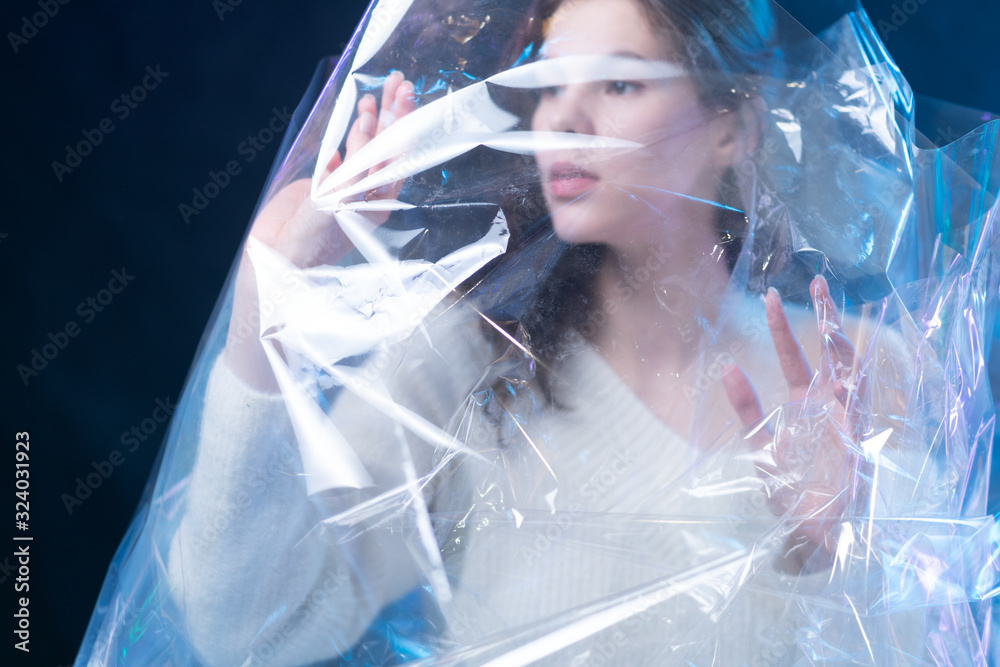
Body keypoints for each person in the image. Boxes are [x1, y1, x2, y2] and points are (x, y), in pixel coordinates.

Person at [88, 0, 991, 664]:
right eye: (551, 86)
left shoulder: (860, 380)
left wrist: (823, 556)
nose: (566, 120)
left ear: (734, 126)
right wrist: (267, 304)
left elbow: (933, 646)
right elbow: (243, 622)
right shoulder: (476, 368)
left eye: (620, 83)